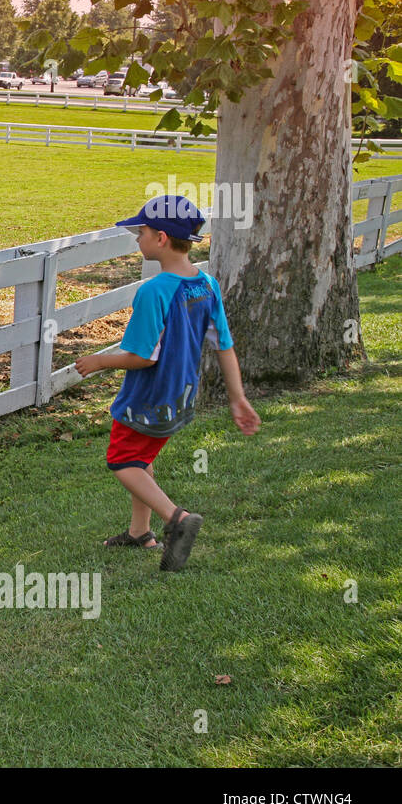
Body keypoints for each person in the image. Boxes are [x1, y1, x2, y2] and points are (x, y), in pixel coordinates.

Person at [75, 195, 260, 571]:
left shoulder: (154, 291)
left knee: (122, 460)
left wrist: (98, 361)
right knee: (141, 458)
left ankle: (176, 518)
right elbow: (224, 345)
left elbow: (143, 356)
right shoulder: (206, 285)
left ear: (160, 238)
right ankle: (140, 532)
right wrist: (237, 398)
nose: (137, 238)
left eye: (140, 231)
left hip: (146, 396)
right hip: (180, 397)